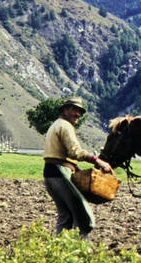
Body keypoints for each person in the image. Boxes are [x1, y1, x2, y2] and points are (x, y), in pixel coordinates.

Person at [43, 96, 113, 239]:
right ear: (65, 110)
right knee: (83, 215)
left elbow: (60, 155)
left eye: (79, 111)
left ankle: (59, 247)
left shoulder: (56, 125)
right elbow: (75, 152)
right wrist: (97, 161)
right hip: (60, 173)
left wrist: (75, 167)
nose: (78, 114)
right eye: (74, 110)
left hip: (50, 172)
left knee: (66, 215)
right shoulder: (65, 126)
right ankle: (82, 247)